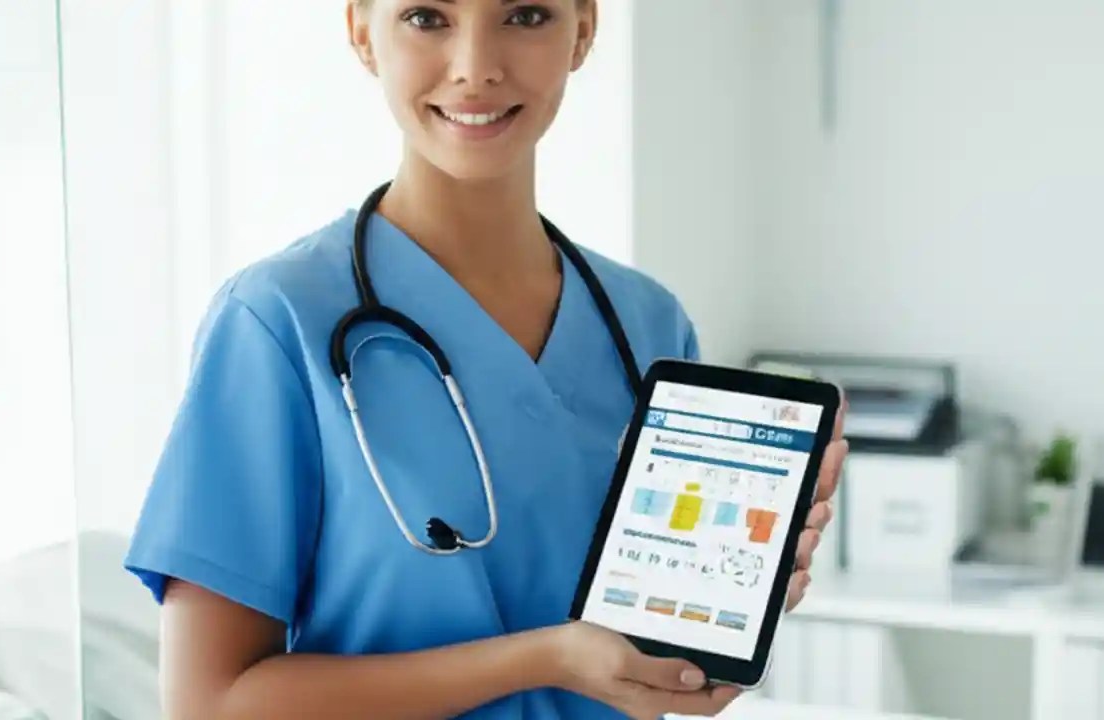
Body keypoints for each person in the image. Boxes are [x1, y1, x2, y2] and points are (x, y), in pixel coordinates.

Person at [122, 1, 848, 718]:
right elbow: (208, 704)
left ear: (584, 29)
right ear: (361, 32)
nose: (476, 69)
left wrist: (721, 611)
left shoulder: (645, 320)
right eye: (427, 17)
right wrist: (547, 657)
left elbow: (653, 663)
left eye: (525, 16)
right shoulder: (276, 320)